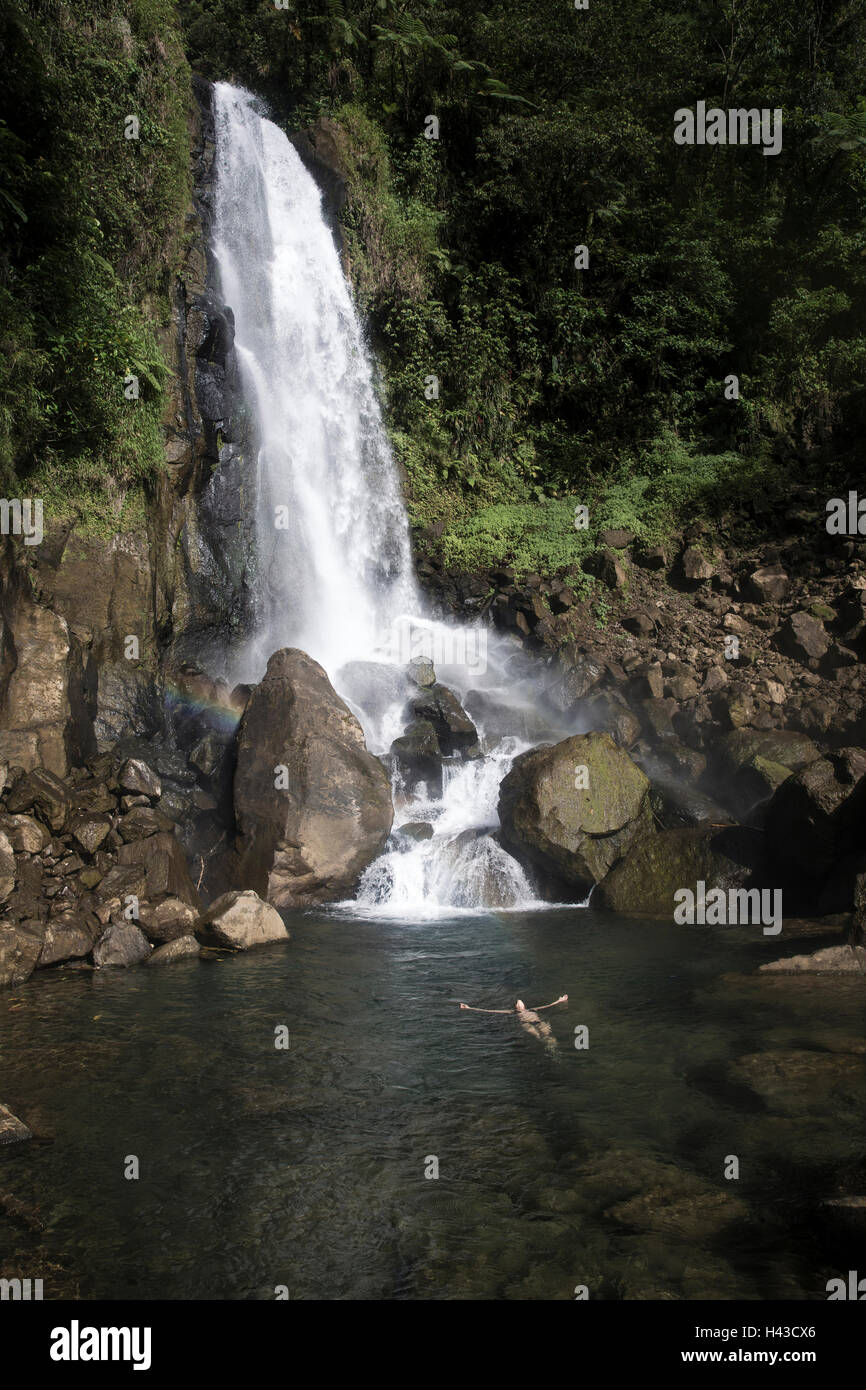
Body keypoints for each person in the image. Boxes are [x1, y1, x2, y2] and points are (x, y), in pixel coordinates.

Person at [458, 994, 567, 1053]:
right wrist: (470, 1008)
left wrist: (559, 1001)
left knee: (547, 1034)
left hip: (537, 1021)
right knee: (537, 1035)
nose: (519, 1006)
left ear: (523, 1006)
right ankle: (545, 1045)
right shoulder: (512, 1012)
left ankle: (552, 1048)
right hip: (526, 1024)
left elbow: (548, 1005)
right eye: (518, 1005)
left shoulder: (532, 1009)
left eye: (520, 1005)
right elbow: (490, 1011)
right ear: (516, 1007)